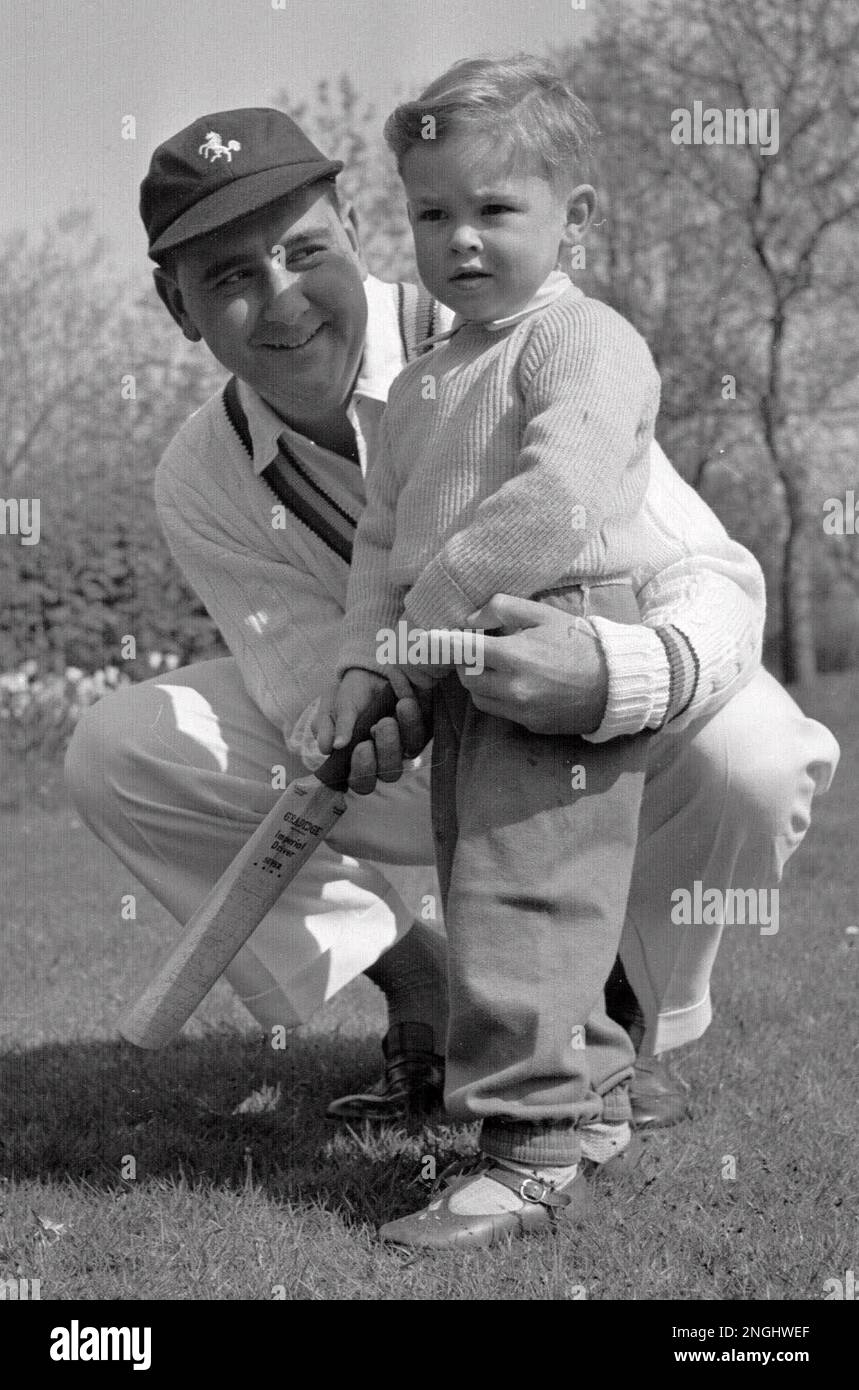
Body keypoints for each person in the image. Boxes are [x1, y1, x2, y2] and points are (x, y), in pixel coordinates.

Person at [64, 104, 838, 1165]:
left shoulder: (520, 329)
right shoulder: (199, 475)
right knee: (123, 746)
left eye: (303, 250)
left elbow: (709, 580)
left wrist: (613, 674)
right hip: (417, 744)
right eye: (230, 276)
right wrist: (353, 705)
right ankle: (419, 984)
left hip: (584, 703)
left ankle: (621, 1020)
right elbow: (299, 681)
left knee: (757, 751)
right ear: (176, 305)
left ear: (353, 229)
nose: (281, 298)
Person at [319, 57, 677, 1244]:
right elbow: (380, 539)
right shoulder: (421, 382)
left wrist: (432, 619)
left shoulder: (579, 340)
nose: (460, 240)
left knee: (527, 893)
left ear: (575, 217)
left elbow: (556, 500)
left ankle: (523, 1151)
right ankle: (597, 1102)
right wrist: (375, 664)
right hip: (460, 656)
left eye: (494, 210)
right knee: (489, 889)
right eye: (432, 214)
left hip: (553, 639)